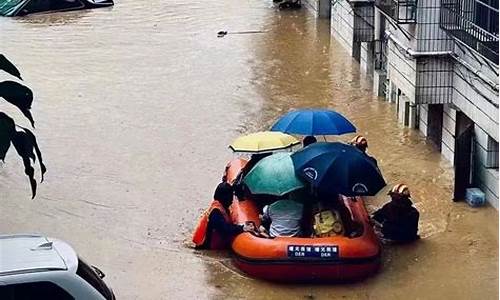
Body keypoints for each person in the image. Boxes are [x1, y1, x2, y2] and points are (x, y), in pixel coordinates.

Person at [193, 182, 255, 249]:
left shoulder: (221, 207)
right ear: (226, 197)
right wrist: (242, 228)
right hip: (206, 247)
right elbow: (224, 229)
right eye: (231, 196)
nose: (232, 200)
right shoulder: (215, 212)